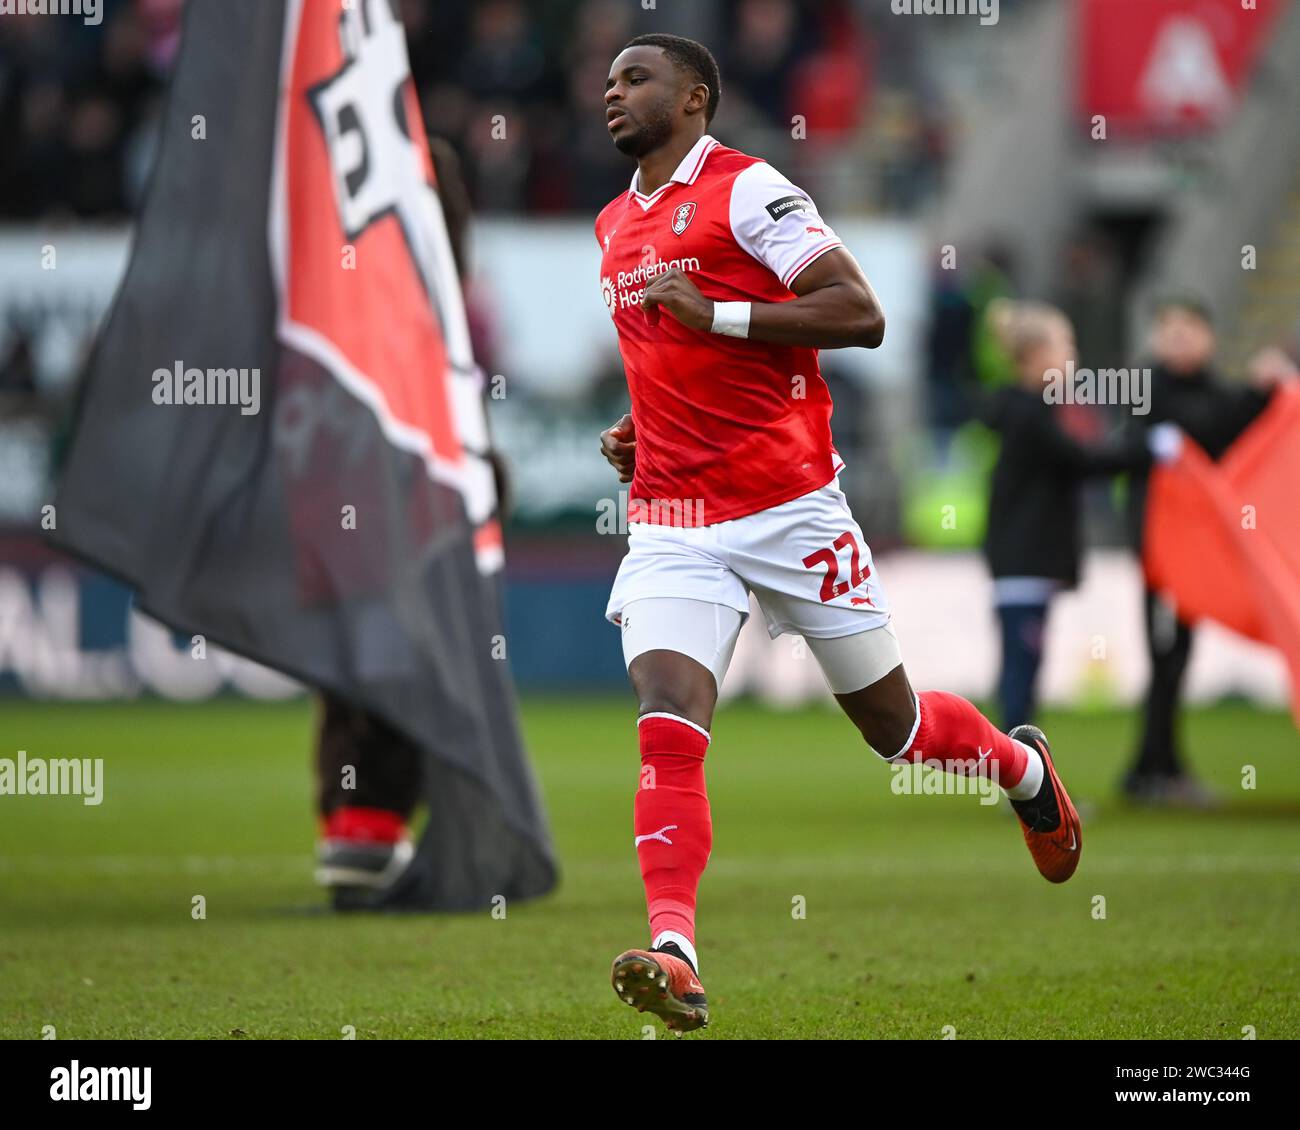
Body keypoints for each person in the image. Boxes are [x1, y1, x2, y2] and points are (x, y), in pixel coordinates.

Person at [594, 34, 1081, 1034]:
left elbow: (859, 313)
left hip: (788, 504)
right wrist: (641, 428)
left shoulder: (747, 189)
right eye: (607, 81)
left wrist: (722, 315)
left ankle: (1022, 769)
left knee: (893, 730)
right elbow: (670, 354)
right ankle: (676, 949)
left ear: (694, 97)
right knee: (667, 715)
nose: (612, 93)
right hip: (675, 518)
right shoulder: (614, 222)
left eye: (635, 78)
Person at [1121, 299, 1288, 804]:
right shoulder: (1145, 391)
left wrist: (1270, 391)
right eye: (1168, 330)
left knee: (1176, 657)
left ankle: (1157, 768)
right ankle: (1152, 770)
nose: (1178, 339)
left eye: (1187, 330)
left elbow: (1226, 426)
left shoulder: (1214, 393)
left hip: (1196, 552)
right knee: (1164, 658)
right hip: (1160, 552)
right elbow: (1174, 434)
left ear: (1208, 337)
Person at [981, 302, 1153, 730]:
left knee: (1024, 671)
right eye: (1065, 344)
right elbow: (1081, 459)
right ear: (1037, 354)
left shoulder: (1030, 410)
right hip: (1023, 561)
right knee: (1021, 675)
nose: (1072, 355)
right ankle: (1021, 777)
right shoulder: (1030, 414)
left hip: (1021, 562)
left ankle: (1024, 774)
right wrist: (1146, 450)